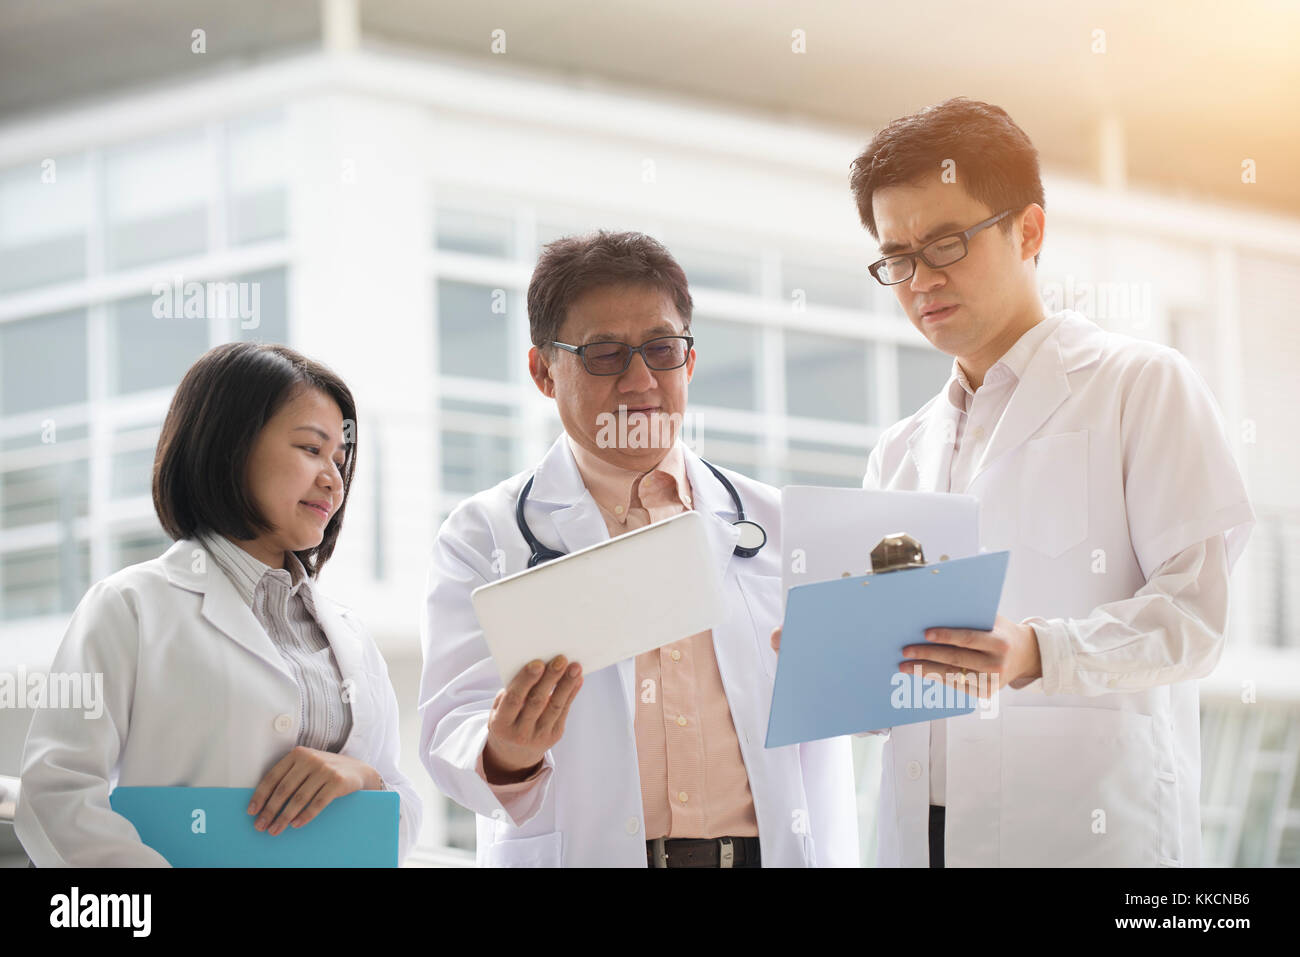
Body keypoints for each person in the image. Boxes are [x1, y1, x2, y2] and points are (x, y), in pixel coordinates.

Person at [779, 97, 1253, 867]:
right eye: (895, 257)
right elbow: (899, 689)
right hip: (917, 838)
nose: (919, 280)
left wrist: (1036, 651)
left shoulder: (1141, 385)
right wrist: (831, 664)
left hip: (1085, 832)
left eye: (945, 244)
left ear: (1028, 230)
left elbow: (1196, 620)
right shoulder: (899, 451)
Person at [419, 230, 858, 867]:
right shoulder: (484, 535)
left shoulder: (781, 526)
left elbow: (848, 713)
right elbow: (448, 728)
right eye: (604, 354)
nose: (640, 380)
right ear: (544, 371)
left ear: (691, 361)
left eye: (661, 350)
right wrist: (505, 750)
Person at [15, 342, 422, 866]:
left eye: (340, 461)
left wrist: (363, 779)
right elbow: (57, 796)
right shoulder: (129, 607)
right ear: (230, 445)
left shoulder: (350, 638)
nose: (332, 479)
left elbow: (401, 814)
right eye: (309, 448)